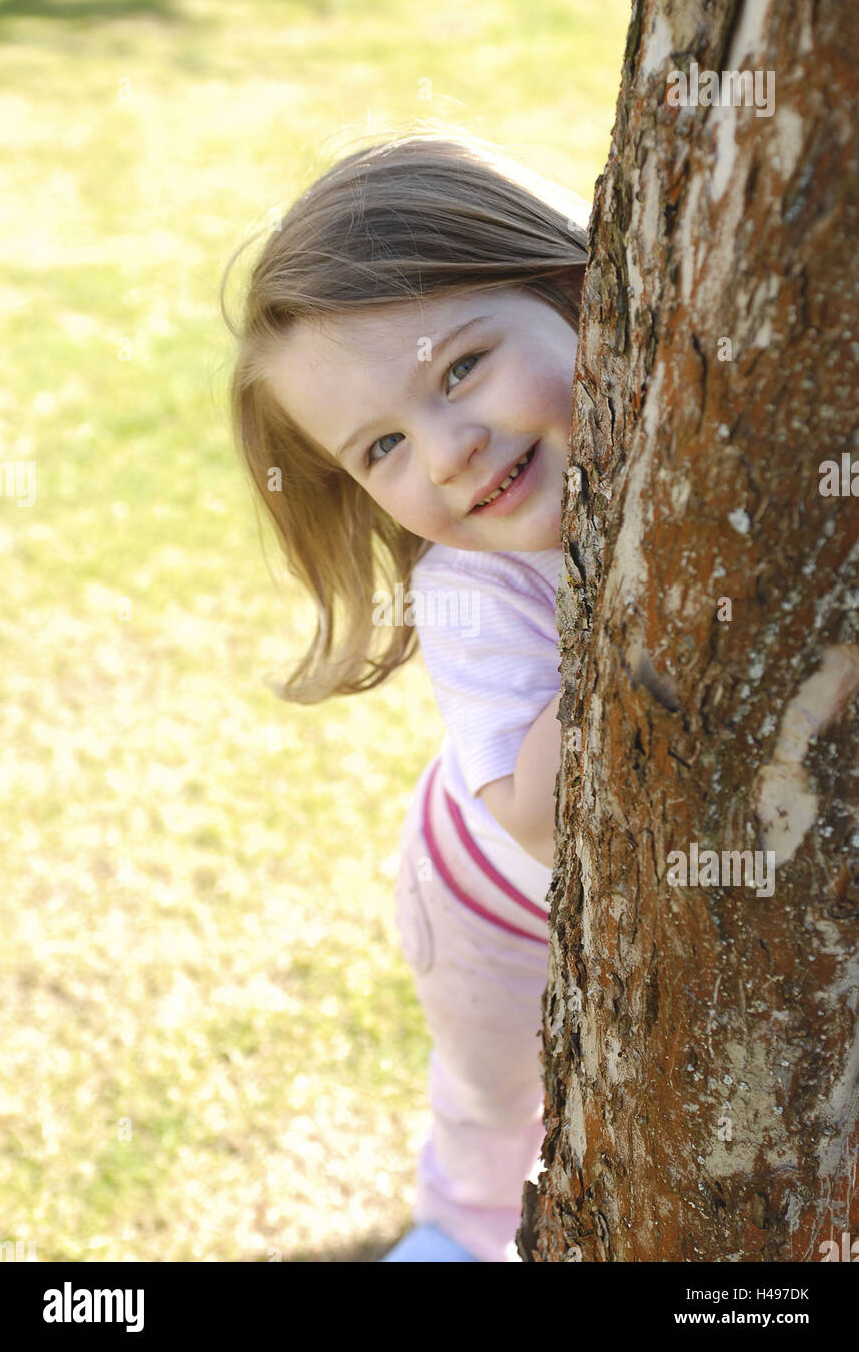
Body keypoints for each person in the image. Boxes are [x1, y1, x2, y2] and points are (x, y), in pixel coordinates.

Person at [221, 130, 589, 1262]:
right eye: (380, 444)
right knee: (493, 1099)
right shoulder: (469, 590)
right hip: (486, 899)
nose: (444, 453)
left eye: (460, 368)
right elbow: (534, 809)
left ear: (572, 282)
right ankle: (460, 1233)